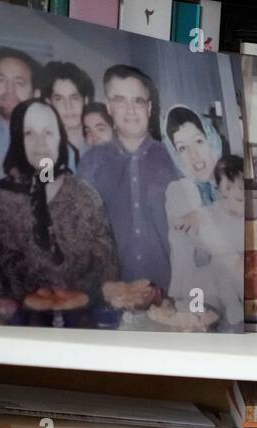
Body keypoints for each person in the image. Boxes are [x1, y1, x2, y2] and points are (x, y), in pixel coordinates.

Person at [0, 98, 118, 300]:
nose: (40, 143)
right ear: (18, 140)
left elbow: (108, 275)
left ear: (60, 139)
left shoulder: (85, 196)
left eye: (48, 132)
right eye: (29, 133)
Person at [79, 65, 180, 294]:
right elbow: (79, 233)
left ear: (150, 107)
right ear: (109, 107)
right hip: (109, 296)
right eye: (120, 100)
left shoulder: (175, 159)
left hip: (169, 294)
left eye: (138, 101)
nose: (131, 110)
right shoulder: (91, 162)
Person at [163, 106, 224, 306]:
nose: (193, 155)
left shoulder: (229, 183)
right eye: (182, 148)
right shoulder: (179, 191)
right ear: (174, 154)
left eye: (198, 141)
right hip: (197, 299)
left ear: (211, 140)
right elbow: (214, 243)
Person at [188, 155, 246, 327]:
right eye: (227, 187)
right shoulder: (214, 210)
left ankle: (245, 301)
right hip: (223, 266)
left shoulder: (248, 208)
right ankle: (232, 305)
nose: (234, 192)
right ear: (219, 190)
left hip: (245, 266)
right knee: (220, 261)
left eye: (239, 187)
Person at [0, 46, 39, 184]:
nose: (9, 90)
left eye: (19, 83)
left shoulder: (51, 144)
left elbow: (49, 196)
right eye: (0, 80)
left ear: (35, 94)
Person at [41, 61, 93, 167]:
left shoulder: (102, 146)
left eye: (74, 98)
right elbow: (45, 182)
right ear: (49, 103)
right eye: (59, 99)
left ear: (86, 100)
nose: (68, 106)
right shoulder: (45, 155)